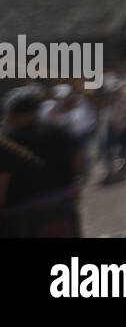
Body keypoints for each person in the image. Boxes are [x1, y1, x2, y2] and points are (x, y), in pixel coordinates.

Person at [0, 87, 83, 237]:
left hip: (23, 216)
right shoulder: (60, 130)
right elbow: (77, 161)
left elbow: (2, 183)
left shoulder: (7, 143)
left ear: (11, 115)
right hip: (63, 205)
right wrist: (74, 185)